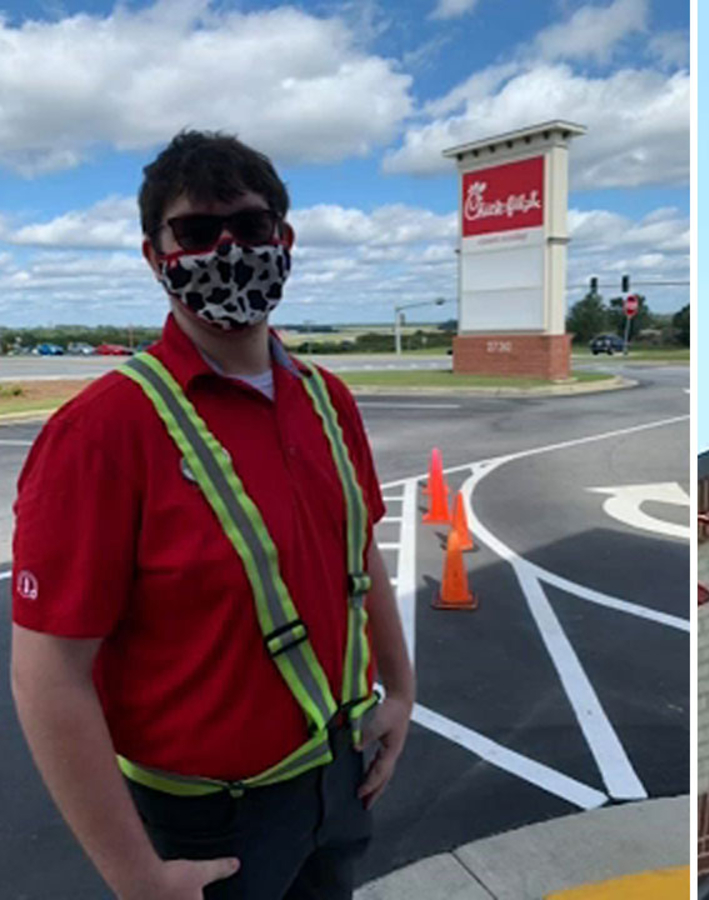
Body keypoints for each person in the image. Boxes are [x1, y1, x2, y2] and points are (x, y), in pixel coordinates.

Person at [9, 130, 415, 900]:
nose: (228, 250)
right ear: (154, 255)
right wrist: (134, 875)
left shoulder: (328, 401)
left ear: (284, 239)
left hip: (336, 777)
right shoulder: (102, 433)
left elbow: (359, 554)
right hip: (208, 822)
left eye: (251, 228)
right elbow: (48, 675)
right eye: (197, 233)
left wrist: (400, 690)